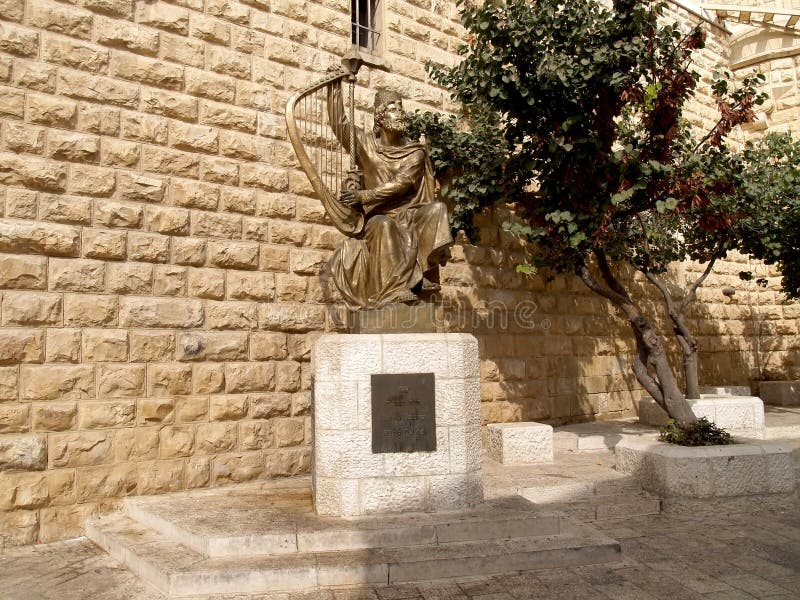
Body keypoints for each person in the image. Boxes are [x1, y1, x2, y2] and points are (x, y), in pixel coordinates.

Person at [326, 84, 453, 310]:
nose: (401, 113)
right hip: (379, 217)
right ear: (380, 117)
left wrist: (363, 195)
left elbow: (403, 183)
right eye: (394, 109)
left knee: (438, 210)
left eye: (401, 108)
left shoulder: (415, 152)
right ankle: (395, 291)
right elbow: (340, 124)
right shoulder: (365, 144)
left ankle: (421, 273)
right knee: (384, 225)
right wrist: (334, 87)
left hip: (410, 215)